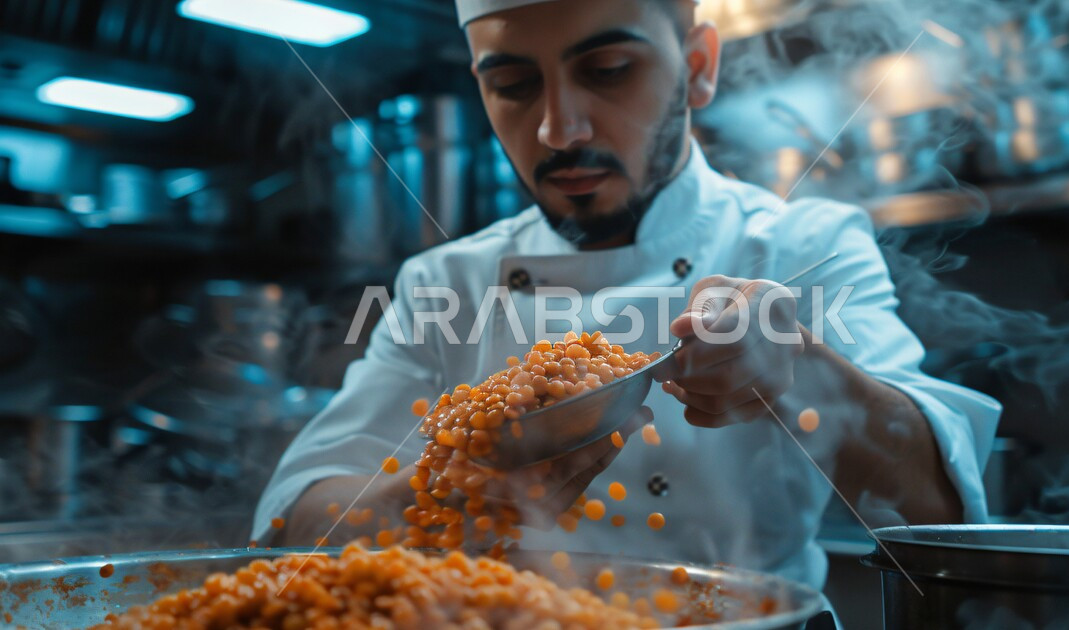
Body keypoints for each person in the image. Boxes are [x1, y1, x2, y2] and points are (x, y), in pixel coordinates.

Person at [254, 0, 1000, 617]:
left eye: (609, 71)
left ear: (699, 68)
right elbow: (294, 523)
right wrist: (454, 489)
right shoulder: (443, 281)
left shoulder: (805, 245)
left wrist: (802, 372)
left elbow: (942, 506)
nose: (559, 130)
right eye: (513, 84)